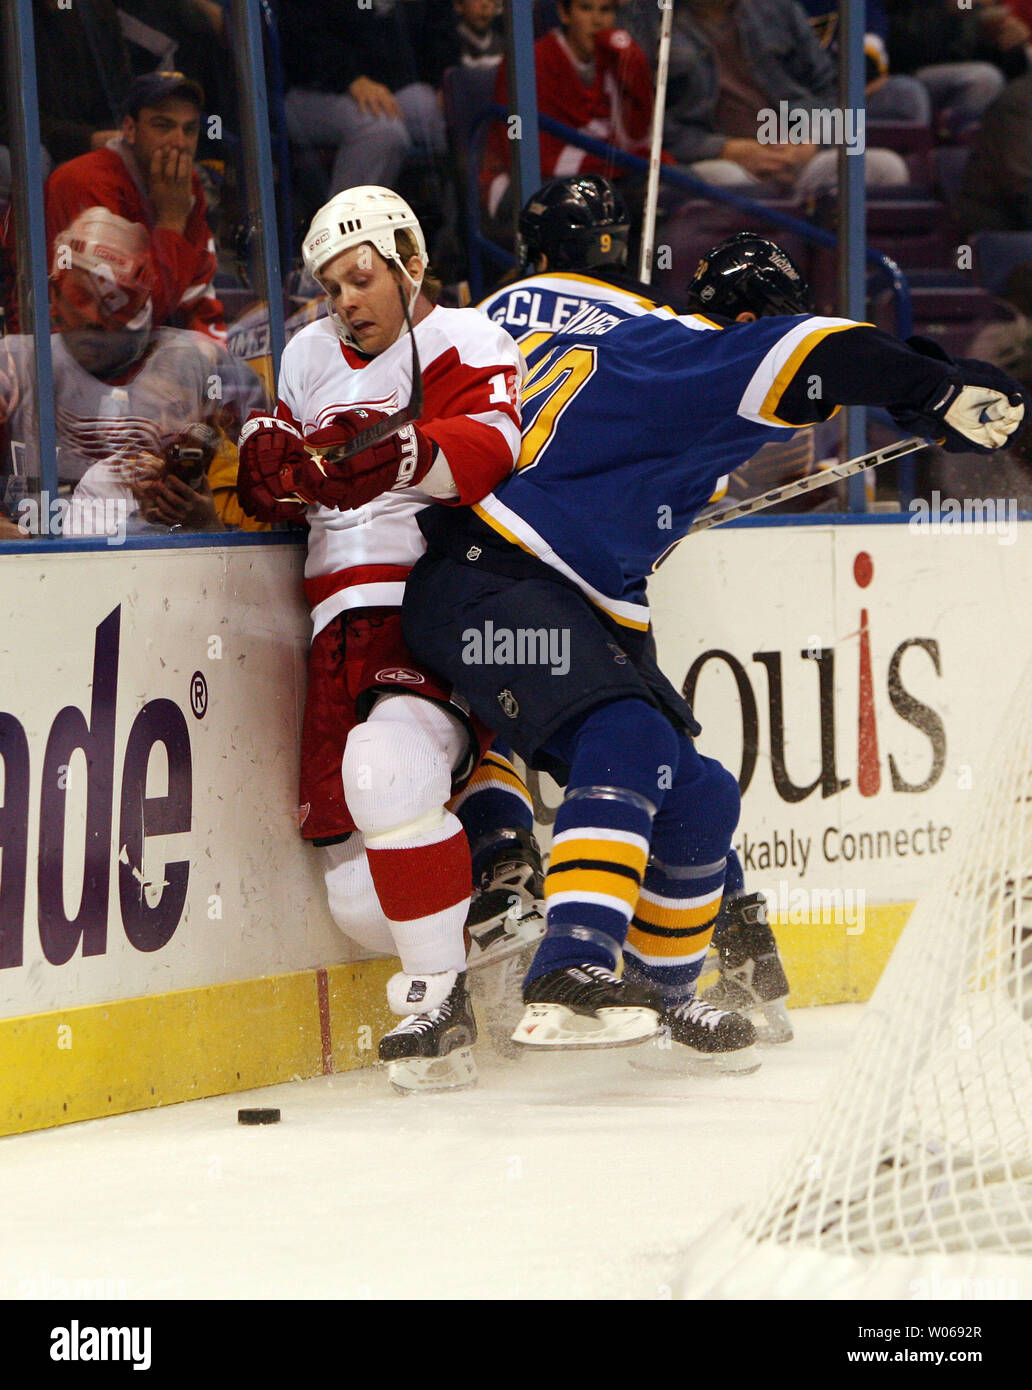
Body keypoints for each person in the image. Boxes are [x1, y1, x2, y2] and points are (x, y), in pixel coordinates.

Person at [389, 239, 1026, 1067]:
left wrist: (918, 410)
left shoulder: (621, 346)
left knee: (699, 793)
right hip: (494, 580)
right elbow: (827, 353)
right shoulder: (700, 353)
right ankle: (570, 966)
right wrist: (936, 386)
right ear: (756, 319)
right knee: (631, 739)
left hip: (524, 586)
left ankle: (663, 994)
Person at [234, 186, 542, 1095]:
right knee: (355, 896)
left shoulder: (468, 338)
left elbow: (491, 449)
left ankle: (437, 1005)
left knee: (385, 766)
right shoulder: (305, 356)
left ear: (410, 258)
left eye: (361, 278)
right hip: (335, 622)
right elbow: (288, 477)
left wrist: (402, 453)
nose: (345, 302)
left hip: (429, 597)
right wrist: (267, 466)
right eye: (331, 288)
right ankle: (501, 919)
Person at [479, 174, 798, 1047]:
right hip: (560, 576)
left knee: (626, 736)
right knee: (633, 737)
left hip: (478, 556)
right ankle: (723, 933)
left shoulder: (498, 312)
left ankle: (506, 871)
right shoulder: (653, 338)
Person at [0, 207, 261, 539]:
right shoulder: (13, 363)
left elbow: (278, 470)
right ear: (54, 293)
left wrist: (209, 526)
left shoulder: (201, 361)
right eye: (81, 297)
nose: (95, 318)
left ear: (142, 303)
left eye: (116, 301)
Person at [624, 0, 909, 193]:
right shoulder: (645, 21)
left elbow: (831, 89)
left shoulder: (777, 7)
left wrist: (812, 142)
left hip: (798, 154)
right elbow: (642, 123)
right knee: (733, 184)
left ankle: (840, 277)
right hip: (717, 162)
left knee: (886, 167)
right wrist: (726, 149)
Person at [44, 71, 226, 345]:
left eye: (189, 130)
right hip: (73, 352)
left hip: (137, 351)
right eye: (163, 126)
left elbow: (197, 294)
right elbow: (123, 322)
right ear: (130, 129)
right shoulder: (84, 182)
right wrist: (171, 223)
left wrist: (210, 360)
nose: (179, 142)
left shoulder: (184, 181)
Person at [482, 0, 656, 226]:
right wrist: (620, 163)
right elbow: (530, 156)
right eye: (586, 8)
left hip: (599, 175)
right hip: (517, 183)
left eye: (605, 10)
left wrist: (634, 67)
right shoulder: (529, 61)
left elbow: (637, 136)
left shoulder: (615, 59)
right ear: (564, 14)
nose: (597, 21)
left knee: (660, 193)